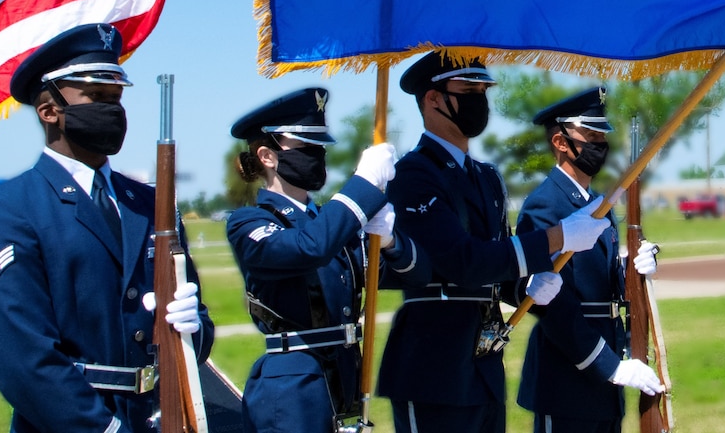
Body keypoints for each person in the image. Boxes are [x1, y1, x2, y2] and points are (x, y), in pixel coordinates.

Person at [0, 23, 214, 433]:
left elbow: (192, 337)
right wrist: (104, 429)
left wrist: (195, 329)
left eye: (116, 98)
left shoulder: (152, 204)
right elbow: (23, 359)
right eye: (97, 97)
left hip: (156, 417)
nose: (113, 110)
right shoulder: (11, 208)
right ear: (50, 111)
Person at [378, 52, 610, 433]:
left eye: (483, 88)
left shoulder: (486, 177)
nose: (480, 98)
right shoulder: (413, 174)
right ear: (433, 99)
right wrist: (558, 236)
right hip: (434, 364)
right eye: (468, 89)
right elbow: (463, 262)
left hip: (482, 365)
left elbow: (498, 266)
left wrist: (527, 288)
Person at [225, 87, 429, 433]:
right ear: (267, 155)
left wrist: (392, 241)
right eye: (306, 146)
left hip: (344, 381)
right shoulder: (249, 223)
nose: (317, 155)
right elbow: (309, 248)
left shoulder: (333, 224)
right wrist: (362, 186)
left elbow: (416, 276)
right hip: (293, 389)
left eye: (320, 146)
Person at [516, 87, 663, 433]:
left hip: (604, 381)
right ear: (561, 142)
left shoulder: (599, 205)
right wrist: (608, 365)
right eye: (591, 135)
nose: (600, 144)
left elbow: (604, 282)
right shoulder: (544, 206)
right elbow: (551, 305)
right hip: (567, 377)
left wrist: (633, 270)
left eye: (602, 135)